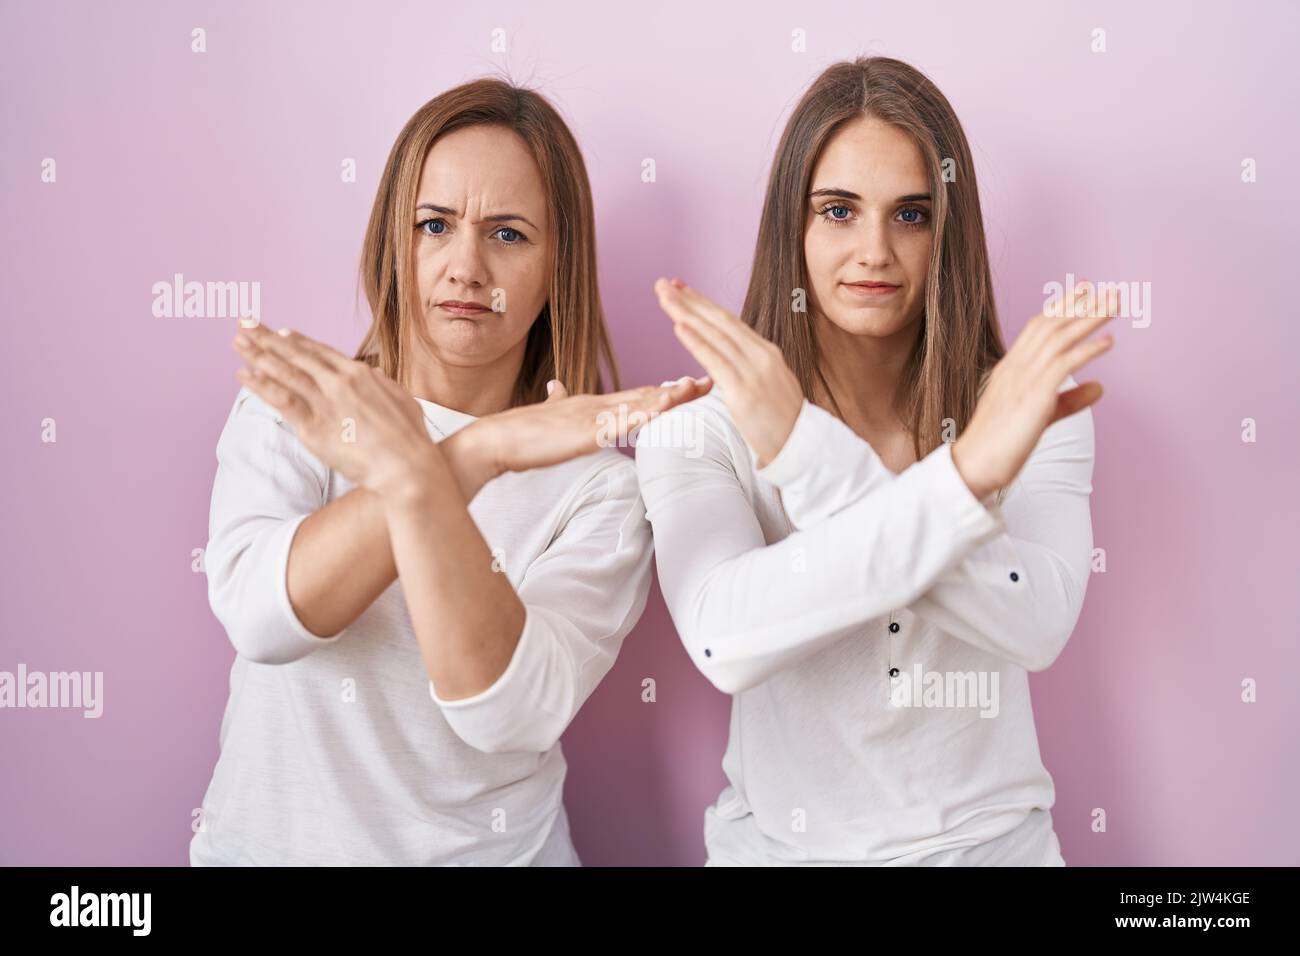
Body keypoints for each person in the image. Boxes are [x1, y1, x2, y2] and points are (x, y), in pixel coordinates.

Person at [191, 78, 707, 866]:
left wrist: (422, 472)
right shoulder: (305, 403)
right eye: (436, 224)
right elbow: (262, 620)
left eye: (508, 234)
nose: (466, 265)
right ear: (395, 241)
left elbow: (505, 716)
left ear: (556, 266)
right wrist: (472, 457)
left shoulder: (600, 487)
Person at [635, 56, 1117, 865]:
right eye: (838, 210)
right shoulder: (698, 429)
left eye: (912, 215)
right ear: (793, 224)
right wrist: (960, 487)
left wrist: (808, 458)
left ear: (947, 233)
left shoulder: (1029, 401)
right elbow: (727, 641)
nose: (875, 251)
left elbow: (1035, 624)